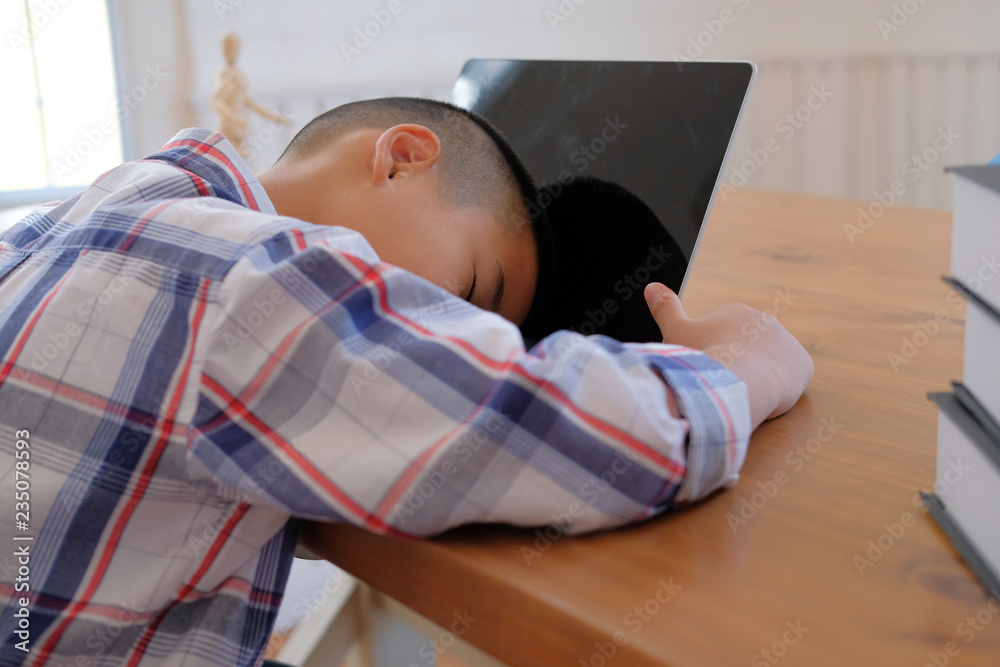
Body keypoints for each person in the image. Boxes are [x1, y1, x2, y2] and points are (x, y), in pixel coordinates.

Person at [0, 97, 812, 666]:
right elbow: (584, 438)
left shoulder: (113, 206)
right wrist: (743, 364)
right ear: (403, 157)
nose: (456, 330)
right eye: (474, 293)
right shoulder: (260, 281)